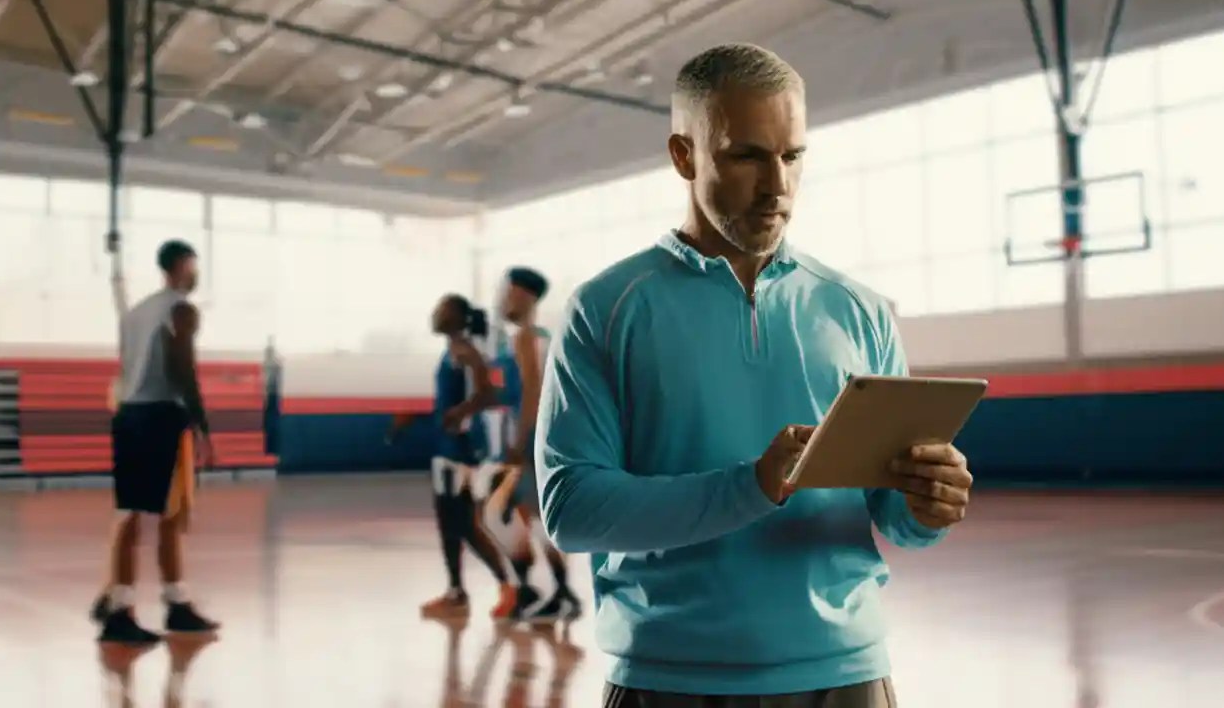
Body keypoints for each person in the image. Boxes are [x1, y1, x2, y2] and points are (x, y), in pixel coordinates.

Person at [533, 44, 974, 707]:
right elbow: (572, 509)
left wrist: (928, 504)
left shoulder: (857, 310)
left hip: (844, 677)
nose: (777, 186)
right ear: (684, 155)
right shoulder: (606, 309)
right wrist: (752, 486)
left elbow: (896, 514)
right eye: (747, 157)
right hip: (666, 679)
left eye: (792, 157)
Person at [91, 240, 220, 644]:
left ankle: (142, 600)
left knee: (135, 511)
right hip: (162, 414)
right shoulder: (180, 309)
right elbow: (182, 365)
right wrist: (202, 425)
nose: (196, 273)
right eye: (194, 265)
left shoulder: (135, 313)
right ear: (182, 266)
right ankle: (128, 607)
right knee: (170, 513)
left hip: (128, 414)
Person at [388, 294, 518, 620]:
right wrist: (415, 418)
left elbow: (488, 393)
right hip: (444, 448)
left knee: (463, 525)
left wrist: (460, 412)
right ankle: (456, 592)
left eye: (443, 308)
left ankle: (508, 585)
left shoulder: (464, 350)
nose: (436, 312)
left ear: (458, 318)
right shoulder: (451, 351)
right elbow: (449, 406)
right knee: (449, 525)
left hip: (458, 451)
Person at [487, 268, 581, 623]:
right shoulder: (543, 336)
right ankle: (547, 591)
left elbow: (532, 391)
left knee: (505, 514)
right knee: (521, 516)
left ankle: (551, 591)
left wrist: (520, 440)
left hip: (533, 441)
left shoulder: (525, 338)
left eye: (509, 293)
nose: (503, 300)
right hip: (549, 438)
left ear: (525, 298)